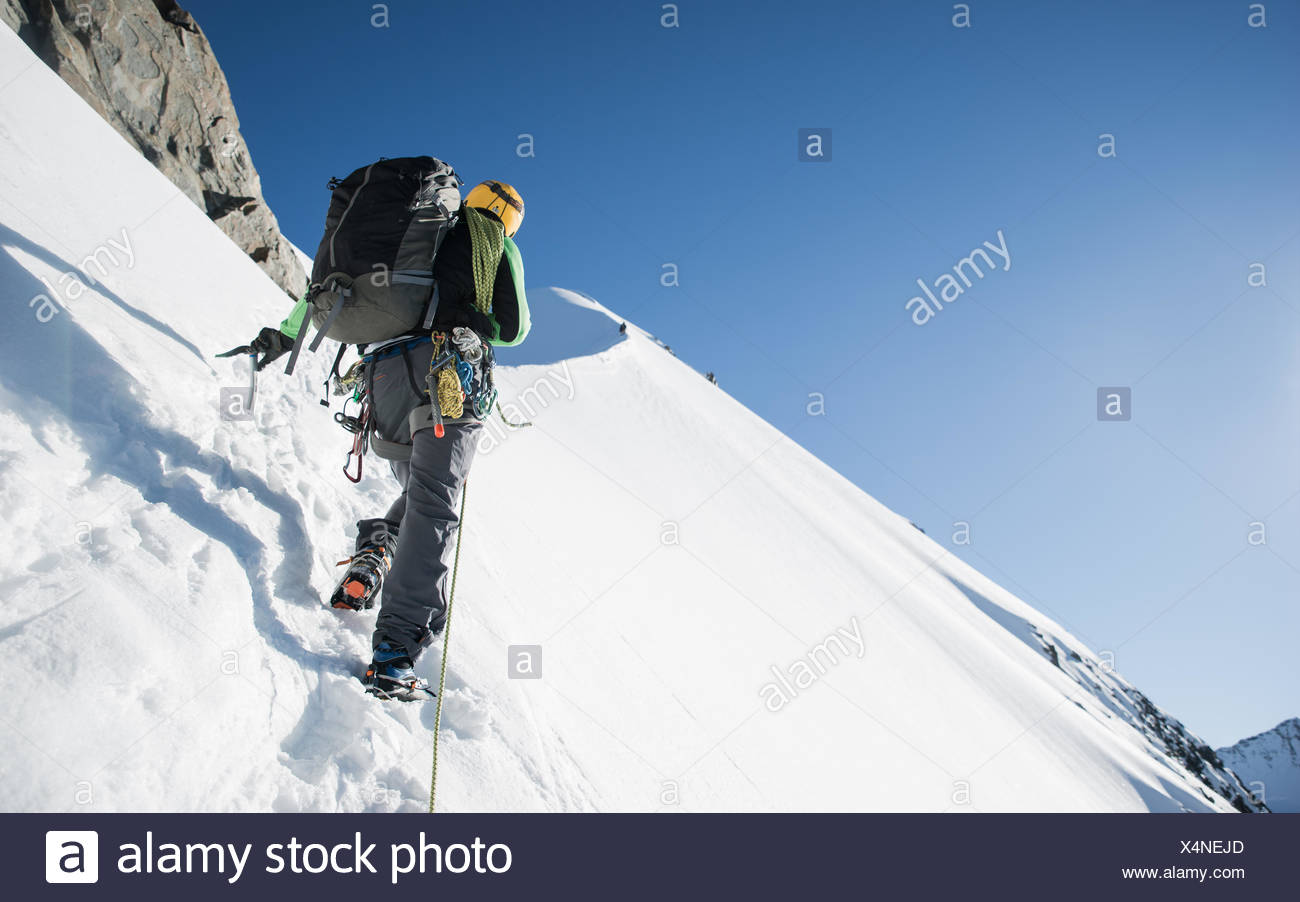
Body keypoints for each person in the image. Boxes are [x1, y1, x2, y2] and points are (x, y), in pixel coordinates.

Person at [228, 179, 529, 698]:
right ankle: (394, 652)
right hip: (449, 376)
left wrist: (281, 336)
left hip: (384, 380)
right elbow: (512, 326)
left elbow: (324, 299)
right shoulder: (494, 241)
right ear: (508, 218)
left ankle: (377, 550)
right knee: (434, 504)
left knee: (420, 493)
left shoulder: (417, 231)